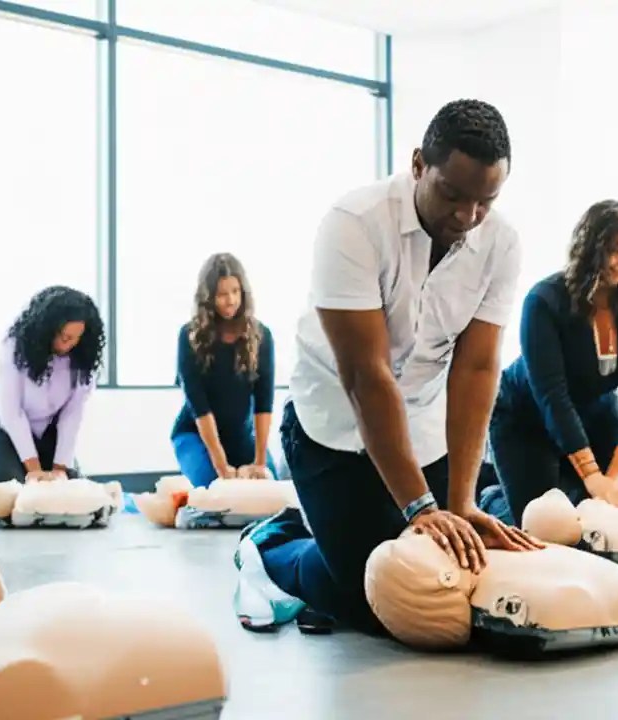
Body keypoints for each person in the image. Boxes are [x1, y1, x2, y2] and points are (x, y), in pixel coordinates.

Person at [230, 99, 543, 636]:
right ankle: (271, 544)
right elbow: (366, 376)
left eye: (484, 202)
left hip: (421, 424)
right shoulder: (354, 223)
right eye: (452, 195)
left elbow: (475, 370)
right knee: (378, 598)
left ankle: (337, 533)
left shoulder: (501, 243)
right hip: (333, 425)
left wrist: (461, 502)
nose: (467, 217)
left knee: (451, 572)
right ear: (419, 164)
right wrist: (420, 506)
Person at [477, 200, 618, 526]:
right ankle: (492, 496)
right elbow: (552, 395)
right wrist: (592, 475)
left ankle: (575, 489)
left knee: (600, 510)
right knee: (542, 523)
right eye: (613, 249)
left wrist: (616, 474)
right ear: (591, 249)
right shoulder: (544, 301)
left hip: (595, 413)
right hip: (527, 417)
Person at [0, 286, 104, 485]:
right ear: (48, 329)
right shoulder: (13, 346)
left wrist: (60, 469)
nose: (69, 344)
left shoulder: (83, 358)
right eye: (64, 337)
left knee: (70, 487)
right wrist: (34, 470)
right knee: (12, 489)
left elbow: (72, 415)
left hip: (45, 431)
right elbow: (12, 412)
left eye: (76, 339)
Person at [171, 253, 277, 487]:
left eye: (235, 292)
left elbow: (264, 402)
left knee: (269, 485)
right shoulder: (188, 336)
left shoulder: (261, 336)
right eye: (221, 294)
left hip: (241, 438)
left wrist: (259, 462)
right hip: (195, 435)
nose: (230, 300)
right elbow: (198, 405)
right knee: (214, 487)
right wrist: (221, 465)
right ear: (208, 298)